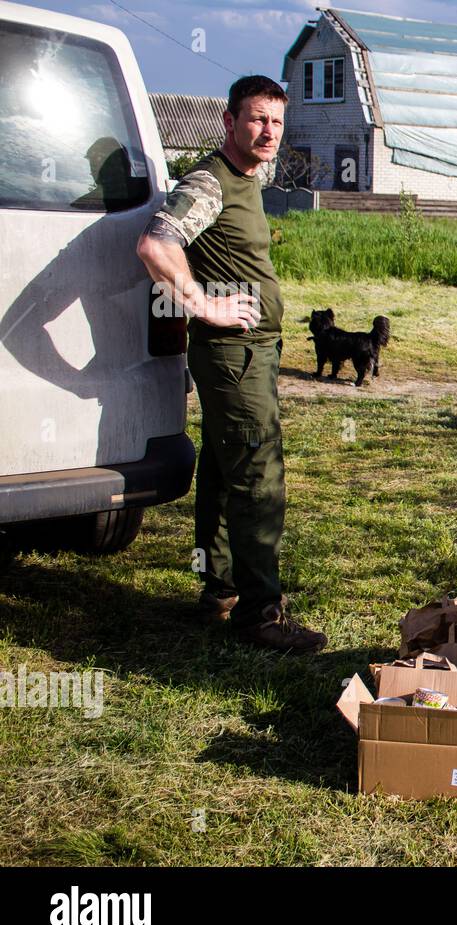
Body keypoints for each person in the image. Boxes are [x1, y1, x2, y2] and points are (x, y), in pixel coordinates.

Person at [136, 75, 326, 652]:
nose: (268, 132)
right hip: (233, 358)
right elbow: (155, 244)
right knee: (258, 478)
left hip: (251, 356)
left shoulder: (246, 181)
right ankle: (261, 615)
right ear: (230, 121)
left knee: (222, 475)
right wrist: (202, 305)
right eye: (256, 119)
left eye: (276, 122)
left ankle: (220, 593)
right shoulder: (210, 182)